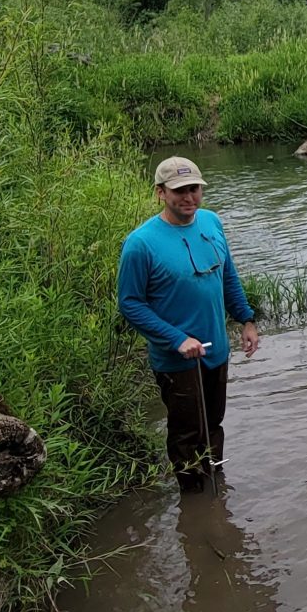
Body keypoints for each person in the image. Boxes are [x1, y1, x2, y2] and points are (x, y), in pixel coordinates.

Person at [116, 155, 261, 490]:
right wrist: (176, 338)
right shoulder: (141, 244)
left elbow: (228, 276)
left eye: (194, 188)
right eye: (179, 190)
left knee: (213, 423)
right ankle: (194, 499)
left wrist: (246, 319)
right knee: (186, 433)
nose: (189, 197)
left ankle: (215, 486)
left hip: (217, 350)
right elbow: (130, 304)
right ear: (160, 193)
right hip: (176, 360)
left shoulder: (210, 222)